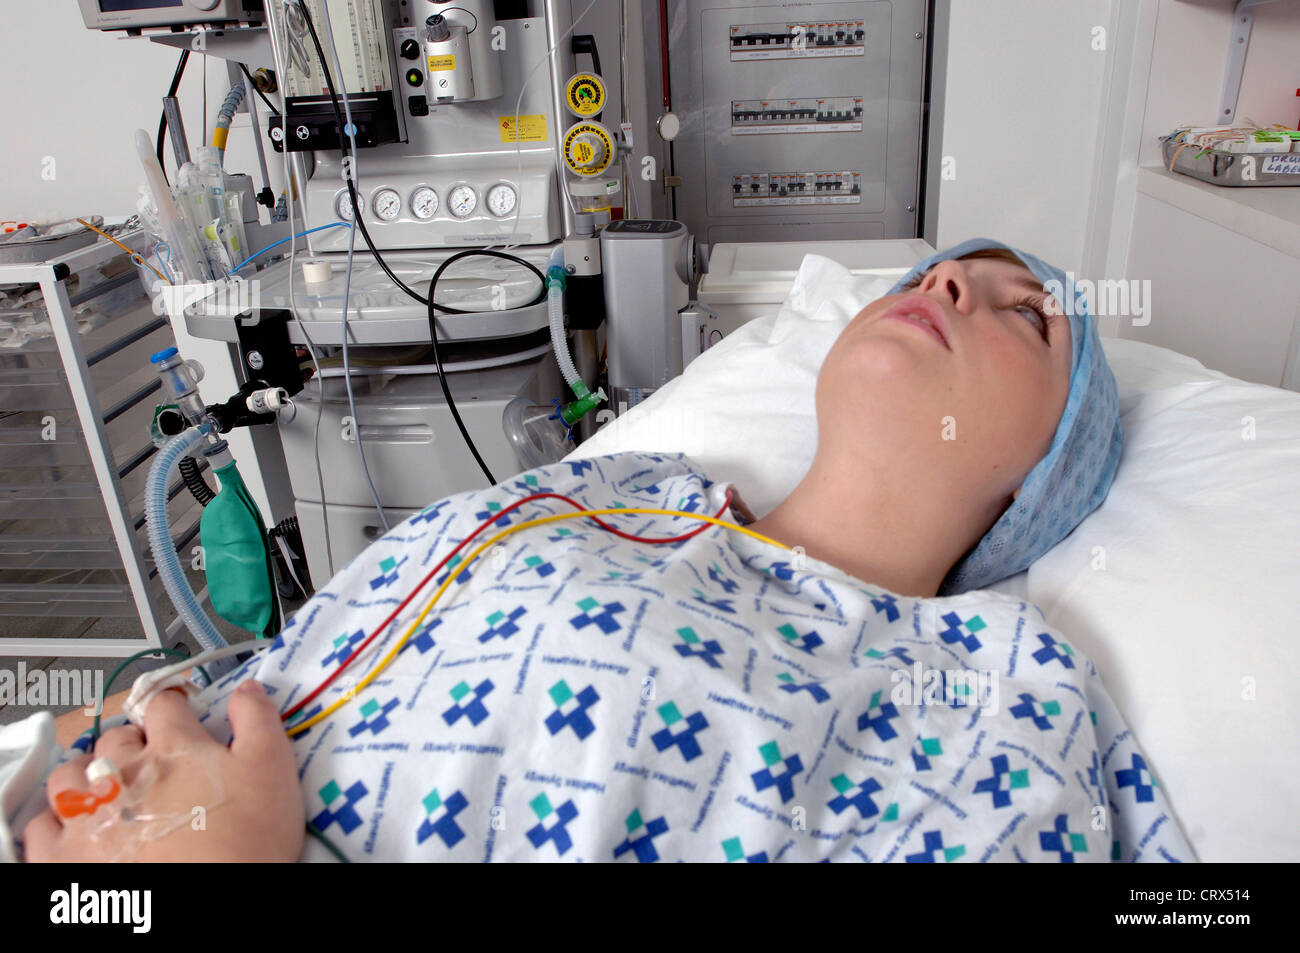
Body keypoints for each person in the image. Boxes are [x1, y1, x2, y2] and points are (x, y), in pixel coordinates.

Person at [21, 240, 1190, 863]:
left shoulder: (999, 695)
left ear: (1050, 467)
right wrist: (122, 729)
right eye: (940, 271)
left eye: (1023, 311)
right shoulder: (624, 486)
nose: (947, 281)